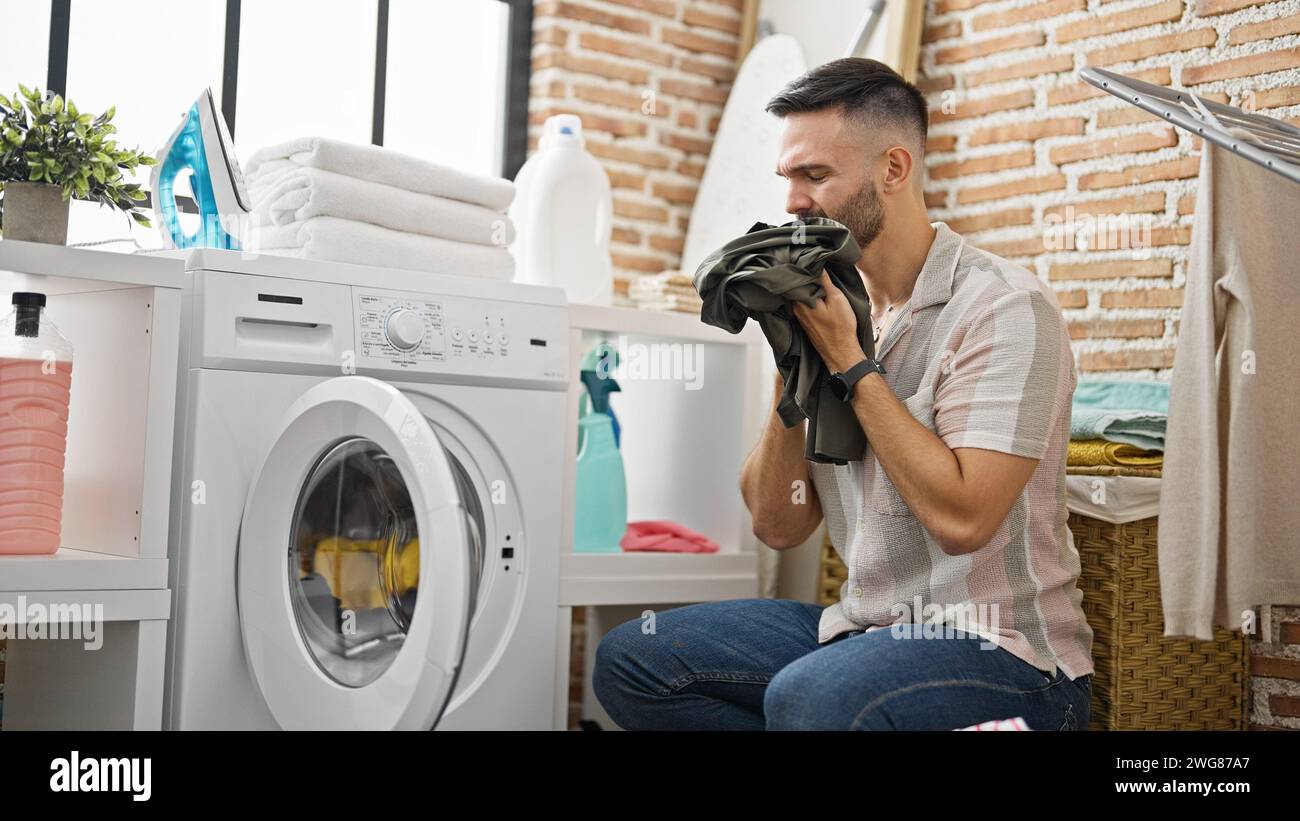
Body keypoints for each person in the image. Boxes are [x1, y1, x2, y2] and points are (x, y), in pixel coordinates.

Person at [592, 58, 1094, 731]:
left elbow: (963, 521)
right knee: (635, 659)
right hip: (861, 628)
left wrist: (849, 362)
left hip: (1006, 654)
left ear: (894, 169)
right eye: (788, 177)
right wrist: (793, 362)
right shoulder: (833, 309)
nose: (793, 202)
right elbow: (778, 525)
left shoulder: (1003, 308)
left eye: (816, 176)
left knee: (813, 697)